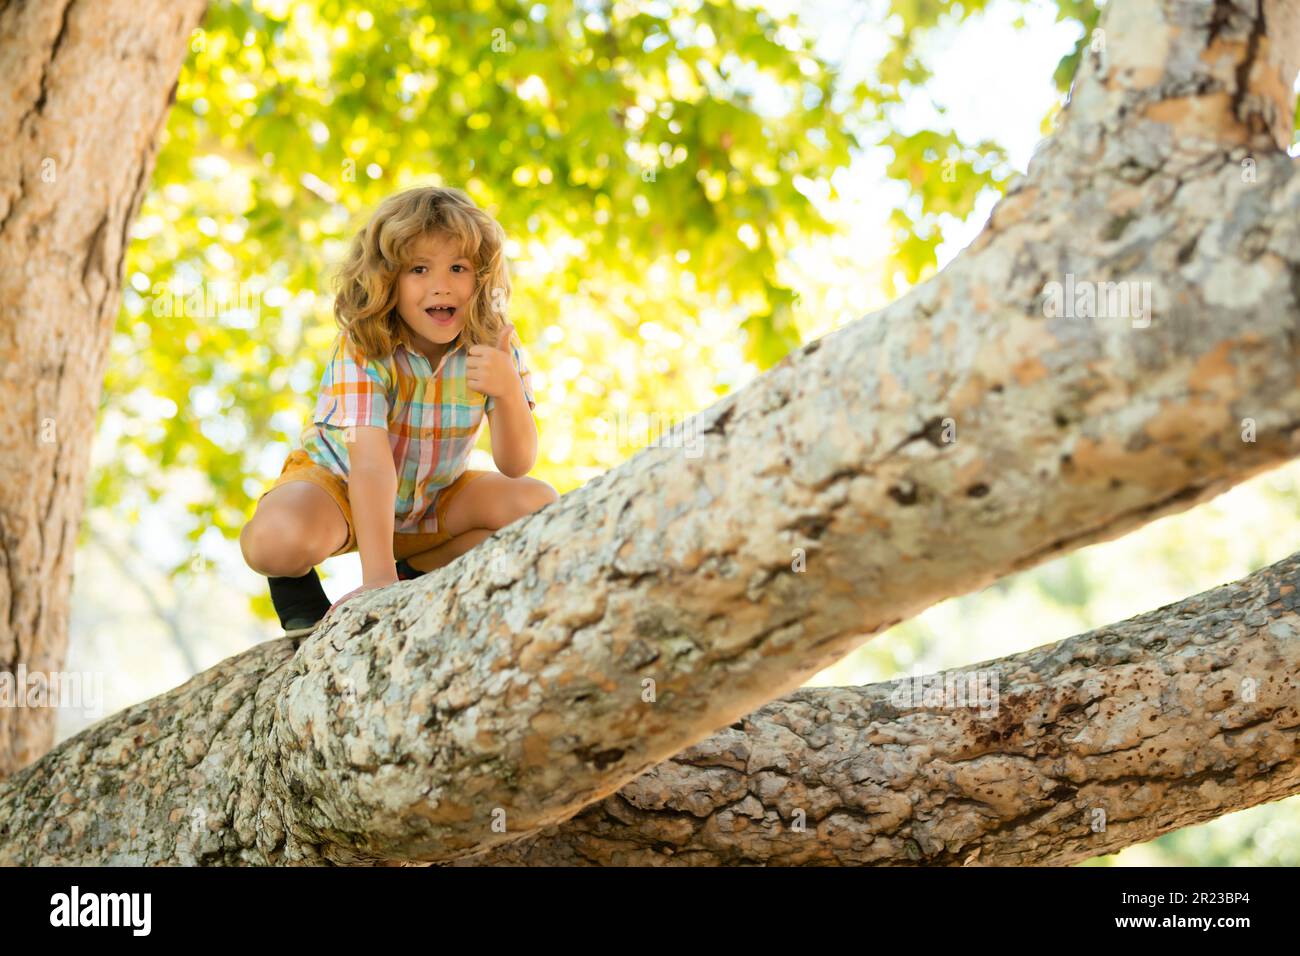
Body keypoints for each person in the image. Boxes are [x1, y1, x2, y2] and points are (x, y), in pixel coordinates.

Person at [240, 185, 559, 639]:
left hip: (434, 497)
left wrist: (507, 391)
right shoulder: (364, 348)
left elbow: (516, 463)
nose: (441, 284)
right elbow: (370, 464)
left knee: (538, 504)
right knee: (277, 541)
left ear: (480, 278)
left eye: (458, 268)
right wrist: (377, 582)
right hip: (343, 489)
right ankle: (296, 586)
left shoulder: (494, 342)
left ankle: (418, 568)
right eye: (419, 269)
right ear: (388, 280)